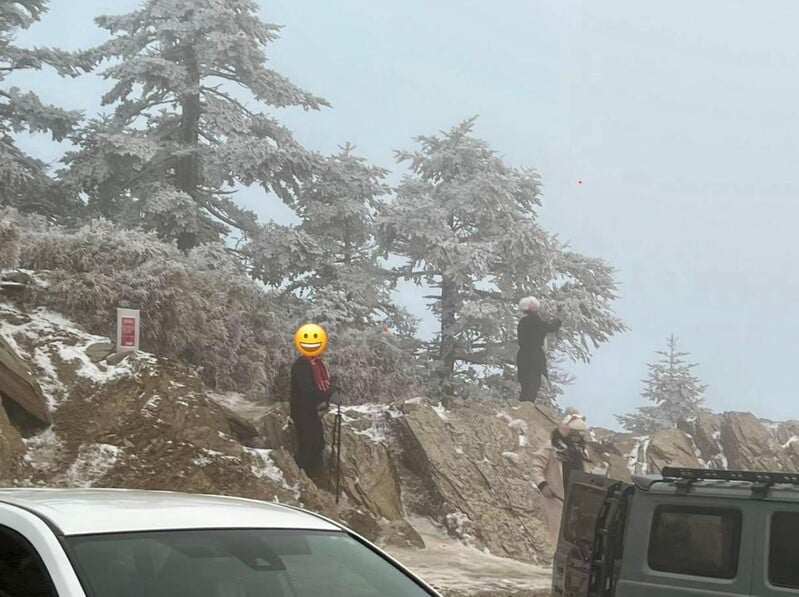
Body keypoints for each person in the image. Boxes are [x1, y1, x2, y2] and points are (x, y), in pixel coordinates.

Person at [531, 412, 593, 548]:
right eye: (575, 434)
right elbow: (536, 466)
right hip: (556, 498)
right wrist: (543, 484)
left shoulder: (582, 451)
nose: (577, 438)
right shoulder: (551, 447)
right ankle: (555, 562)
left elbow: (586, 471)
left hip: (576, 500)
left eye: (580, 434)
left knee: (574, 535)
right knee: (557, 533)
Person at [289, 343, 336, 483]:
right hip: (303, 411)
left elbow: (322, 387)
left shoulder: (317, 365)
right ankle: (299, 478)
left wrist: (333, 390)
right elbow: (308, 391)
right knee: (310, 445)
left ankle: (307, 477)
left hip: (311, 411)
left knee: (316, 444)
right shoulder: (302, 365)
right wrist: (328, 393)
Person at [516, 296, 562, 403]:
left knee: (525, 383)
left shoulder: (523, 321)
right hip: (534, 355)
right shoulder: (534, 320)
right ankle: (528, 405)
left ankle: (523, 404)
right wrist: (558, 319)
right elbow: (548, 327)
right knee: (533, 382)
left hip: (523, 355)